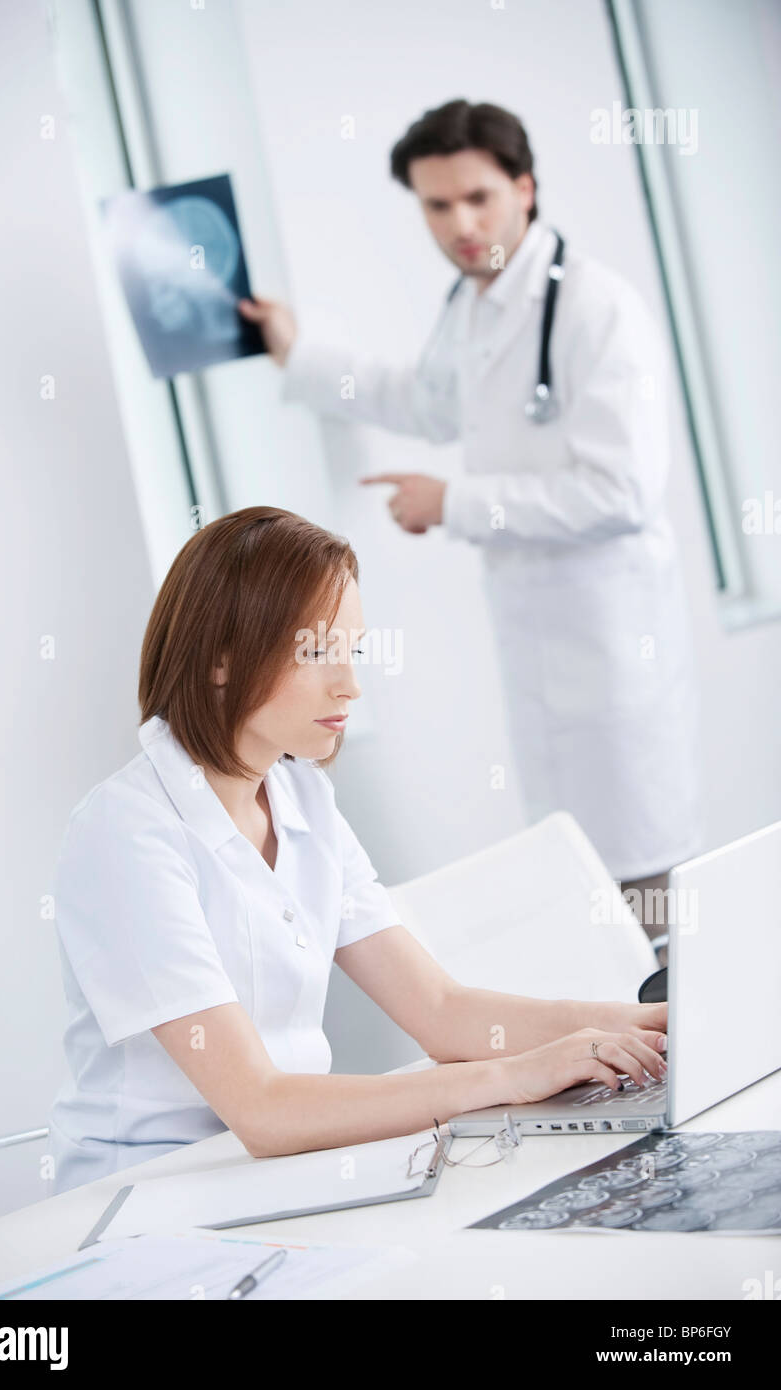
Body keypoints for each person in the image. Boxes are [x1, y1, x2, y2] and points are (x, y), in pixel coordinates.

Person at [46, 506, 667, 1193]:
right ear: (220, 660)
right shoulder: (126, 832)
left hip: (289, 1171)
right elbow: (261, 1108)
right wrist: (513, 1077)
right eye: (316, 653)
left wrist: (639, 1025)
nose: (350, 684)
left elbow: (440, 1010)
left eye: (353, 652)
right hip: (149, 1198)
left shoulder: (301, 796)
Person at [239, 99, 702, 963]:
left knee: (647, 898)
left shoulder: (598, 309)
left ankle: (697, 1074)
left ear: (525, 188)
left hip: (611, 652)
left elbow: (623, 489)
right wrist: (297, 353)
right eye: (436, 206)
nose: (461, 223)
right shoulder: (477, 303)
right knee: (587, 891)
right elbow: (423, 399)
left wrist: (451, 502)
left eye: (479, 198)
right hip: (543, 649)